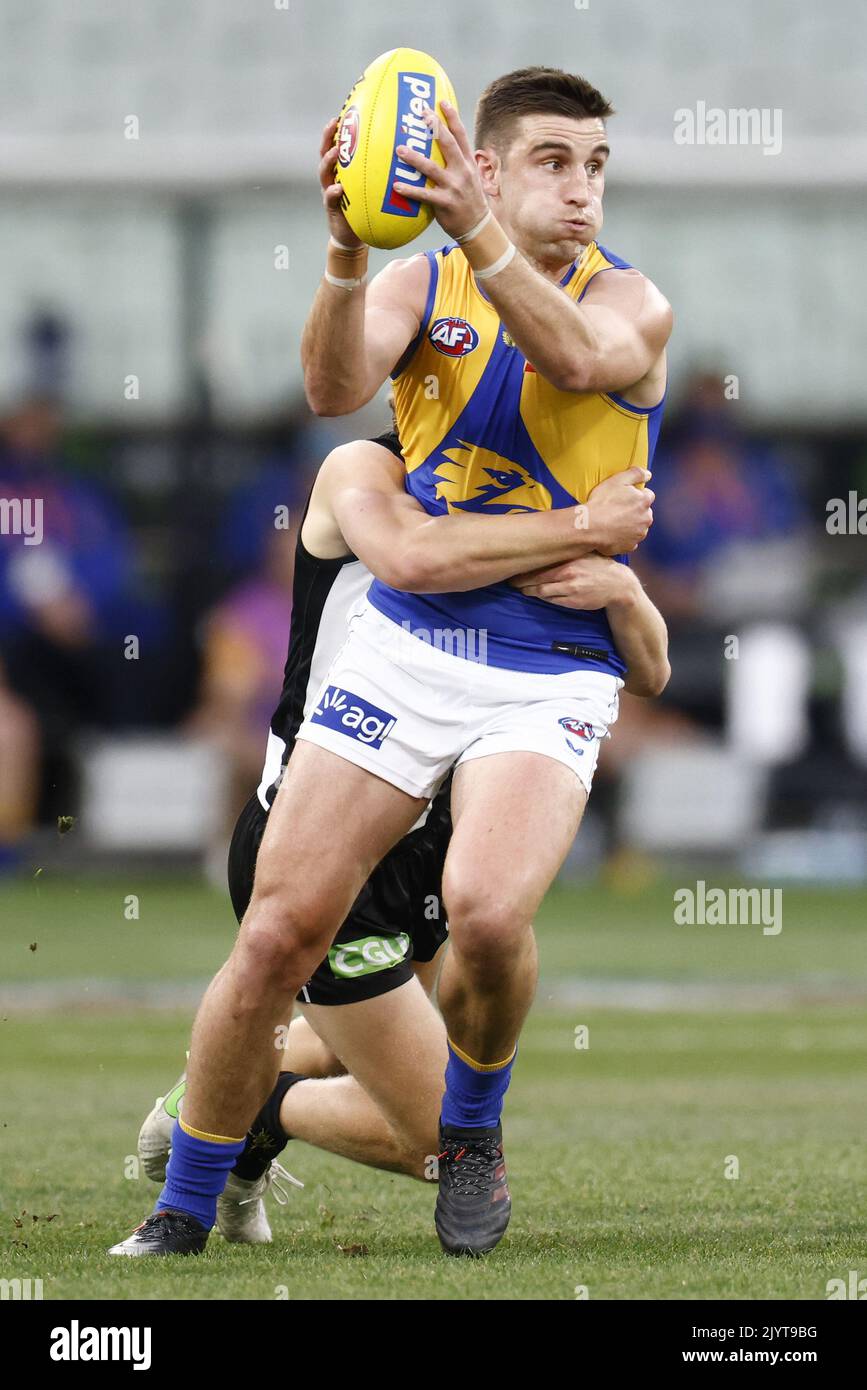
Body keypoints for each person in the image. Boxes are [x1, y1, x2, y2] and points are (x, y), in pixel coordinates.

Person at [109, 63, 672, 1259]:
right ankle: (184, 1207)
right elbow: (329, 389)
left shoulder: (636, 306)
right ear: (488, 166)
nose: (583, 191)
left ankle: (470, 1133)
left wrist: (622, 592)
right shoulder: (426, 288)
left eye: (598, 166)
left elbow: (577, 357)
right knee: (275, 934)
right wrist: (348, 252)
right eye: (554, 163)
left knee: (485, 911)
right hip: (409, 659)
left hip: (546, 668)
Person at [120, 427, 667, 1250]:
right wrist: (591, 524)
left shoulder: (538, 490)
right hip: (326, 821)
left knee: (369, 1043)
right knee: (436, 1147)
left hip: (432, 836)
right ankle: (244, 1122)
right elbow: (416, 557)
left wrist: (620, 590)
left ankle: (228, 1105)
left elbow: (647, 669)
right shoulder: (363, 469)